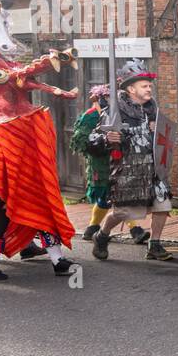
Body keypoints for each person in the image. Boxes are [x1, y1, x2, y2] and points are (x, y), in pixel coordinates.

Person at [0, 3, 77, 281]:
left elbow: (25, 80)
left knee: (40, 194)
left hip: (23, 136)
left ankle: (57, 258)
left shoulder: (10, 67)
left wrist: (49, 72)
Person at [89, 61, 177, 263]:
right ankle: (101, 235)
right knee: (123, 212)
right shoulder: (114, 111)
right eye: (144, 86)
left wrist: (158, 130)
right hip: (129, 170)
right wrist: (106, 139)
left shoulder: (152, 108)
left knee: (163, 204)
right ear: (131, 88)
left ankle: (154, 245)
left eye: (149, 85)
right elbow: (92, 140)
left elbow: (162, 136)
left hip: (154, 167)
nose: (149, 89)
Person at [70, 84, 114, 241]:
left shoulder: (116, 114)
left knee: (117, 196)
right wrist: (98, 143)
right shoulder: (90, 115)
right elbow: (79, 140)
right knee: (105, 195)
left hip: (116, 160)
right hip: (99, 162)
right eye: (106, 97)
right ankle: (135, 229)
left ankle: (92, 227)